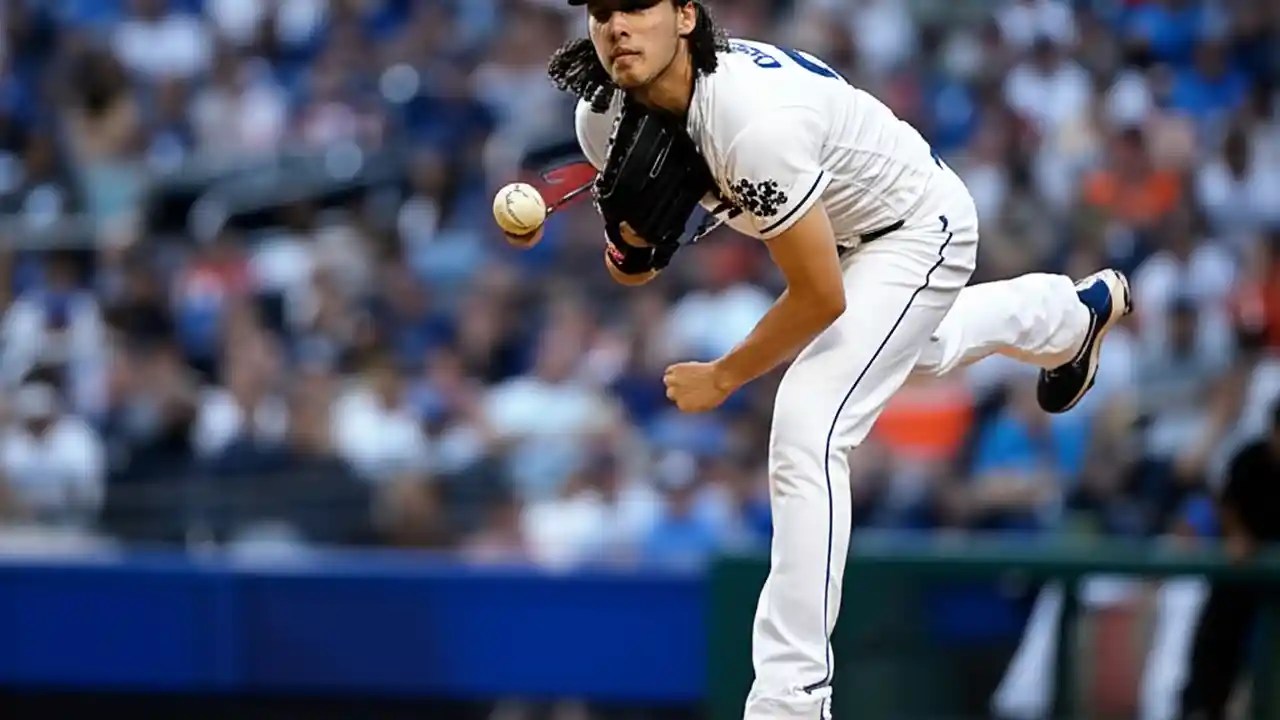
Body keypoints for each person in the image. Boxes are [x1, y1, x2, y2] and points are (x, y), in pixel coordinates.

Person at [521, 2, 1133, 718]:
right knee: (917, 346)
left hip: (913, 225)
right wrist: (630, 244)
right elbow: (635, 266)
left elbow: (820, 298)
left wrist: (725, 375)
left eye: (635, 5)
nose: (616, 25)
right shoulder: (603, 117)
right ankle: (1069, 316)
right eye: (600, 10)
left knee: (807, 425)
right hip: (840, 228)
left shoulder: (751, 122)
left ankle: (792, 698)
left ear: (685, 16)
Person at [1178, 397, 1280, 720]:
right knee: (1217, 641)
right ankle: (1202, 708)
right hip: (1241, 570)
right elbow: (1227, 504)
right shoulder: (1249, 459)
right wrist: (1238, 537)